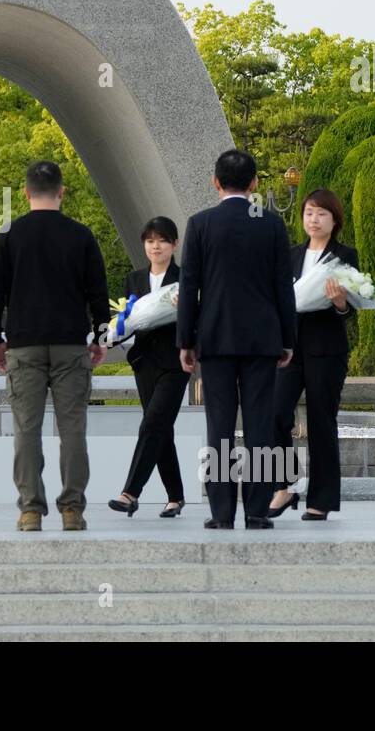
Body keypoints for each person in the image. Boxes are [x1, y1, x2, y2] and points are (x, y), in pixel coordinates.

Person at [0, 160, 110, 532]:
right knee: (72, 429)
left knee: (27, 429)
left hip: (24, 345)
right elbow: (98, 294)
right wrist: (100, 338)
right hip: (71, 345)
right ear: (62, 192)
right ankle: (72, 509)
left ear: (26, 192)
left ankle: (30, 510)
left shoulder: (9, 234)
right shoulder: (81, 235)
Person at [176, 149, 296, 530]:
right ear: (255, 183)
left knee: (220, 426)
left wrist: (185, 340)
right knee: (260, 424)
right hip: (262, 339)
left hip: (215, 338)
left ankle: (221, 511)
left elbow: (189, 285)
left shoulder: (200, 224)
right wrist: (287, 338)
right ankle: (258, 510)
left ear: (215, 182)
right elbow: (283, 287)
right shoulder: (273, 226)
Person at [268, 189, 357, 521]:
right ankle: (283, 485)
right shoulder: (290, 256)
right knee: (274, 413)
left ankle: (320, 501)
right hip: (289, 351)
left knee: (321, 422)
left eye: (321, 214)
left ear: (335, 220)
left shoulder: (346, 256)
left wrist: (340, 304)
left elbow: (351, 310)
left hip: (326, 351)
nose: (314, 219)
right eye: (308, 213)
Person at [108, 216, 191, 519]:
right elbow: (128, 321)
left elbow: (198, 321)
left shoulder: (186, 278)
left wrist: (185, 310)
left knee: (152, 423)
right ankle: (176, 496)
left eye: (163, 240)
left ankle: (130, 493)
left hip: (175, 362)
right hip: (144, 362)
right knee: (160, 429)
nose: (156, 246)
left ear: (174, 244)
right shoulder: (135, 279)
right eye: (150, 240)